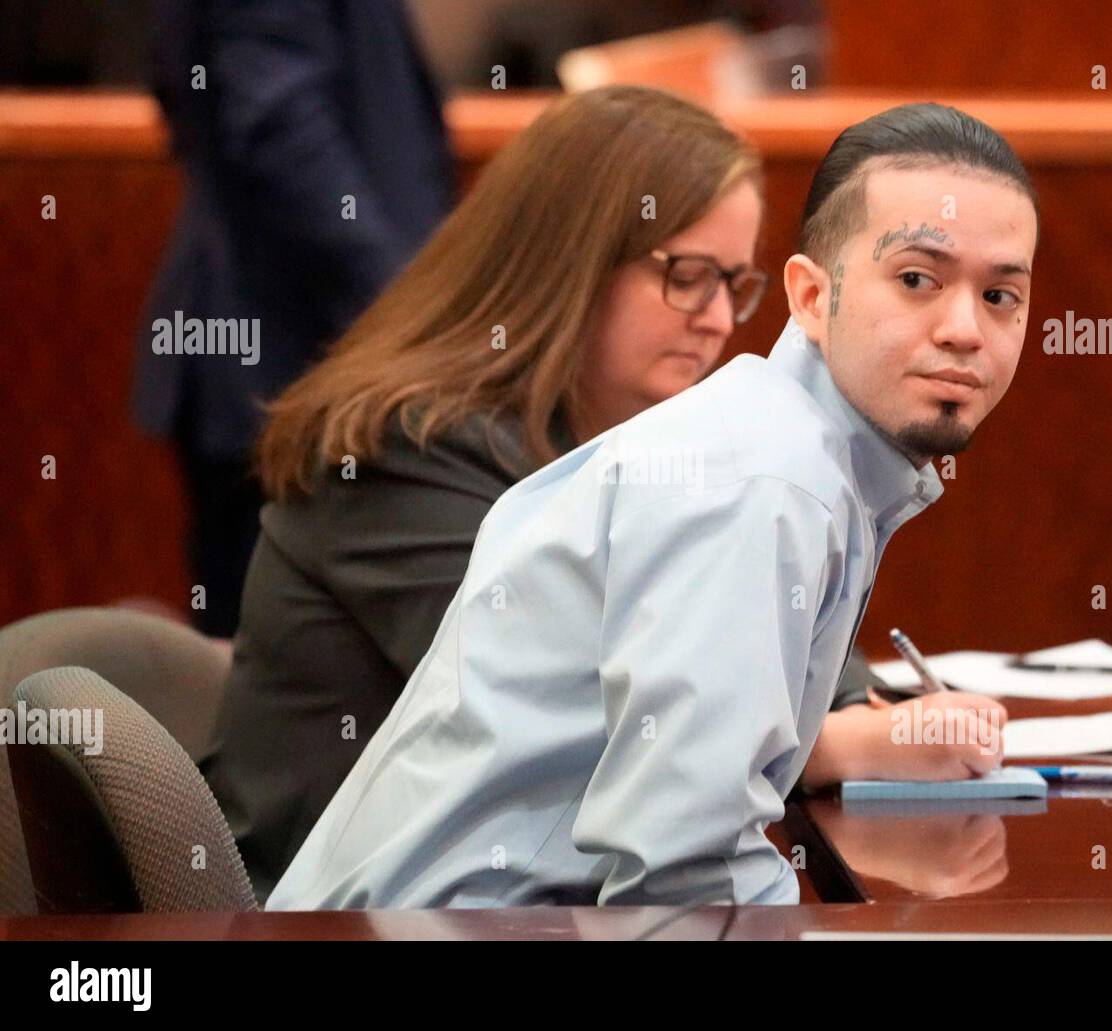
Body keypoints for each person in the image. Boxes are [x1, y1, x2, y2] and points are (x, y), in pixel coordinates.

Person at [265, 101, 1036, 910]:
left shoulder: (793, 459)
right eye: (917, 278)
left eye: (1000, 296)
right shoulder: (760, 481)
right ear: (811, 297)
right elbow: (685, 887)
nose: (963, 329)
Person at [203, 85, 769, 901]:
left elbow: (729, 618)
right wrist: (839, 740)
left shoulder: (616, 444)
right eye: (688, 276)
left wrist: (857, 697)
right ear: (569, 260)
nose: (718, 319)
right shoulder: (403, 447)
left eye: (735, 284)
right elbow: (600, 704)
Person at [133, 0, 455, 636]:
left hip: (304, 354)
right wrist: (412, 313)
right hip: (286, 356)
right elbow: (281, 133)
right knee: (270, 668)